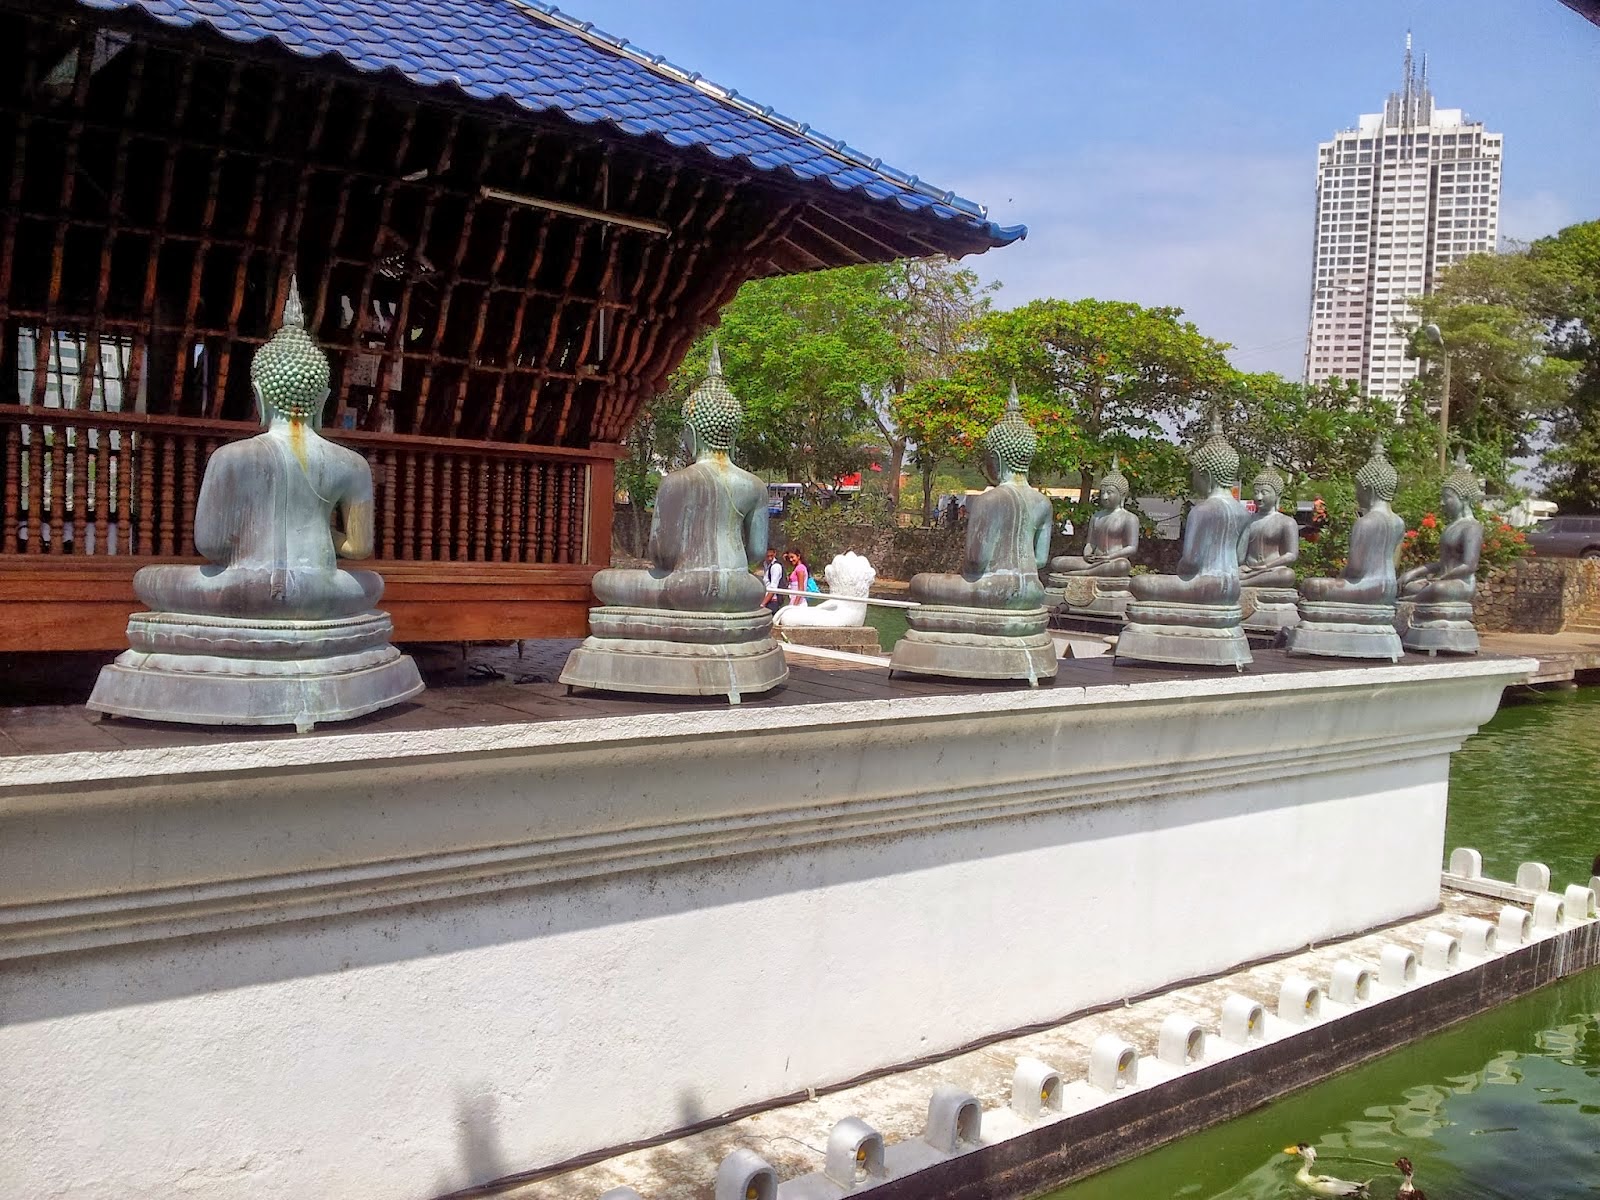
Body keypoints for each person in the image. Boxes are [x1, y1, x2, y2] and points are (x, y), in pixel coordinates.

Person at [759, 547, 784, 614]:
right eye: (767, 556)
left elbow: (773, 588)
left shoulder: (775, 567)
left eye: (771, 556)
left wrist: (763, 604)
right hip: (767, 599)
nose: (770, 558)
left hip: (772, 601)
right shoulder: (766, 564)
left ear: (775, 553)